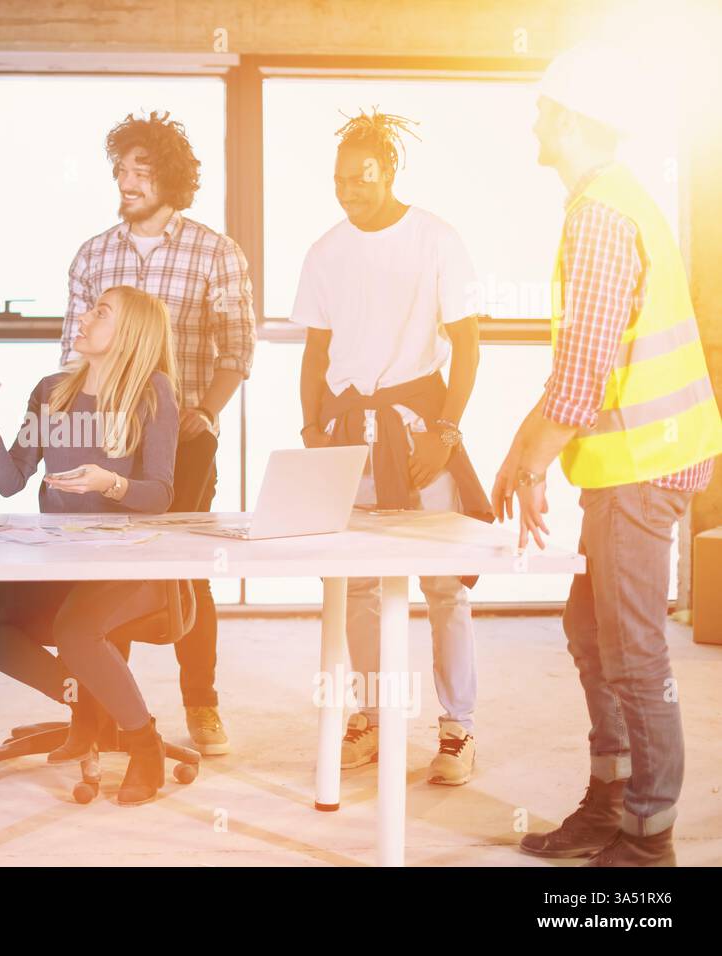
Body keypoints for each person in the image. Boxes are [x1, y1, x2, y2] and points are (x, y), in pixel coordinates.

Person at [498, 44, 722, 867]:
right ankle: (612, 800)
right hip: (629, 464)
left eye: (542, 106)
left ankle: (649, 836)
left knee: (631, 651)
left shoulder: (600, 215)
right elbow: (579, 368)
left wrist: (527, 464)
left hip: (640, 467)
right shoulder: (610, 201)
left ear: (569, 118)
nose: (534, 118)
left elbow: (583, 382)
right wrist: (520, 451)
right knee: (592, 631)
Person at [296, 109, 493, 785]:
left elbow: (466, 343)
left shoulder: (436, 238)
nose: (348, 189)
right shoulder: (325, 251)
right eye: (339, 178)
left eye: (362, 177)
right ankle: (373, 722)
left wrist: (446, 432)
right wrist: (312, 434)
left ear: (391, 171)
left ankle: (457, 731)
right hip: (349, 435)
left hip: (417, 429)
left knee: (443, 586)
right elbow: (315, 353)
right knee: (354, 585)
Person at [61, 111, 256, 756]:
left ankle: (202, 706)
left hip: (185, 443)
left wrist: (206, 410)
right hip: (105, 441)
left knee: (185, 573)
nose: (126, 180)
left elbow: (237, 350)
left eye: (141, 170)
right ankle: (110, 710)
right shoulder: (94, 254)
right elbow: (74, 350)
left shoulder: (215, 252)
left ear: (170, 177)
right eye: (120, 168)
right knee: (104, 574)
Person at [0, 286, 180, 805]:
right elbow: (11, 481)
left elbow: (160, 495)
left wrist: (109, 484)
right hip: (60, 559)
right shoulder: (51, 390)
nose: (85, 316)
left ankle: (146, 746)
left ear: (131, 333)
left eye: (101, 313)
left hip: (129, 567)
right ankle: (87, 705)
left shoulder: (153, 392)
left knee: (77, 629)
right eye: (90, 307)